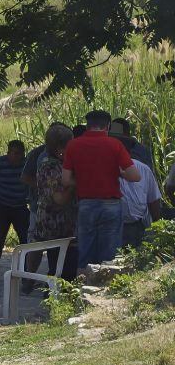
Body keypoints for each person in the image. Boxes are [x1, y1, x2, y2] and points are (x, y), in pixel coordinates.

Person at [62, 109, 141, 266]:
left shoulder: (73, 145)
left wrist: (85, 180)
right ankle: (104, 288)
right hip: (111, 205)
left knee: (85, 254)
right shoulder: (115, 144)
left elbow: (66, 180)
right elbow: (135, 176)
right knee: (109, 256)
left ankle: (81, 287)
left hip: (86, 204)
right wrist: (119, 173)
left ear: (87, 126)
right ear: (108, 126)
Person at [26, 123, 80, 288]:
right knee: (59, 267)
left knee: (67, 264)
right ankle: (53, 296)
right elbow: (60, 199)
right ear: (59, 148)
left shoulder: (61, 164)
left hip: (64, 225)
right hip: (54, 225)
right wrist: (74, 183)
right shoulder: (49, 166)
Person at [0, 140, 30, 285]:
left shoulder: (27, 164)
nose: (16, 157)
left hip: (20, 205)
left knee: (26, 240)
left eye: (20, 154)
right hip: (0, 205)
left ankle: (26, 274)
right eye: (14, 153)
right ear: (8, 153)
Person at [111, 123, 161, 249]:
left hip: (137, 225)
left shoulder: (143, 169)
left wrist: (157, 225)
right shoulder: (101, 168)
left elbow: (153, 199)